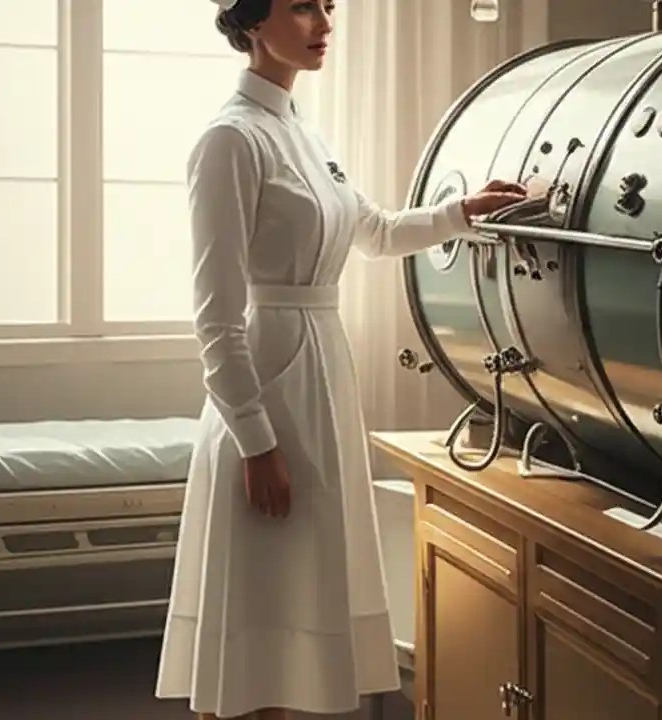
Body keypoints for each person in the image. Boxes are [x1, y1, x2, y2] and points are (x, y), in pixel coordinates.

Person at [154, 1, 527, 718]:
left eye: (328, 4)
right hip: (266, 390)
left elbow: (378, 231)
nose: (325, 20)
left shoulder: (302, 133)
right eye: (302, 6)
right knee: (256, 604)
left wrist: (465, 211)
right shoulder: (230, 141)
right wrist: (256, 443)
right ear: (252, 22)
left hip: (321, 377)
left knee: (299, 594)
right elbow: (215, 320)